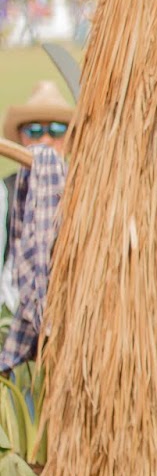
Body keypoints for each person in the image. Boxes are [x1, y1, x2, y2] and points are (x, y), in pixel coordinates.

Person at [1, 80, 74, 313]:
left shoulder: (86, 192)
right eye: (34, 131)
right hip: (14, 312)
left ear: (70, 139)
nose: (45, 140)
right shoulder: (4, 192)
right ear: (22, 138)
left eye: (56, 130)